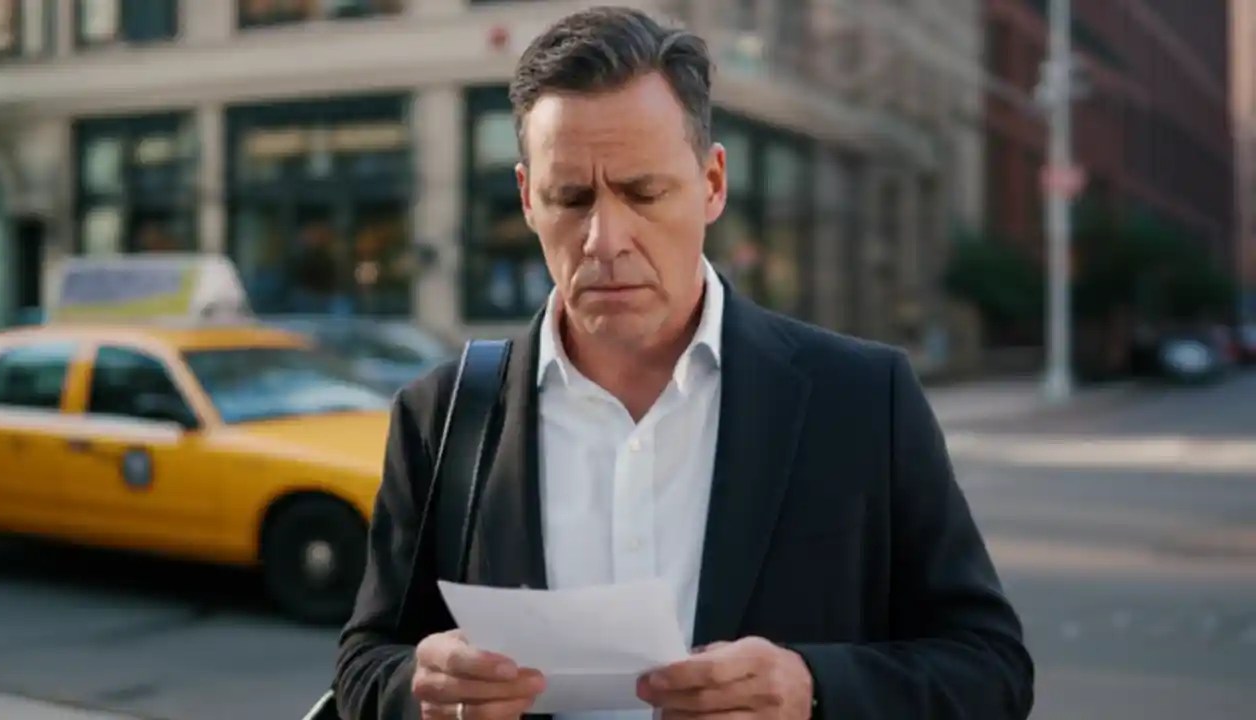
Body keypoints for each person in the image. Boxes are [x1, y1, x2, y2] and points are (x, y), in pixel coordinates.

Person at [335, 6, 1033, 720]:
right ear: (526, 199)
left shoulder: (861, 400)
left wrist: (813, 689)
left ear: (712, 183)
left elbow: (991, 669)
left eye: (644, 193)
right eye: (570, 198)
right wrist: (422, 693)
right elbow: (365, 664)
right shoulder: (444, 416)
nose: (606, 239)